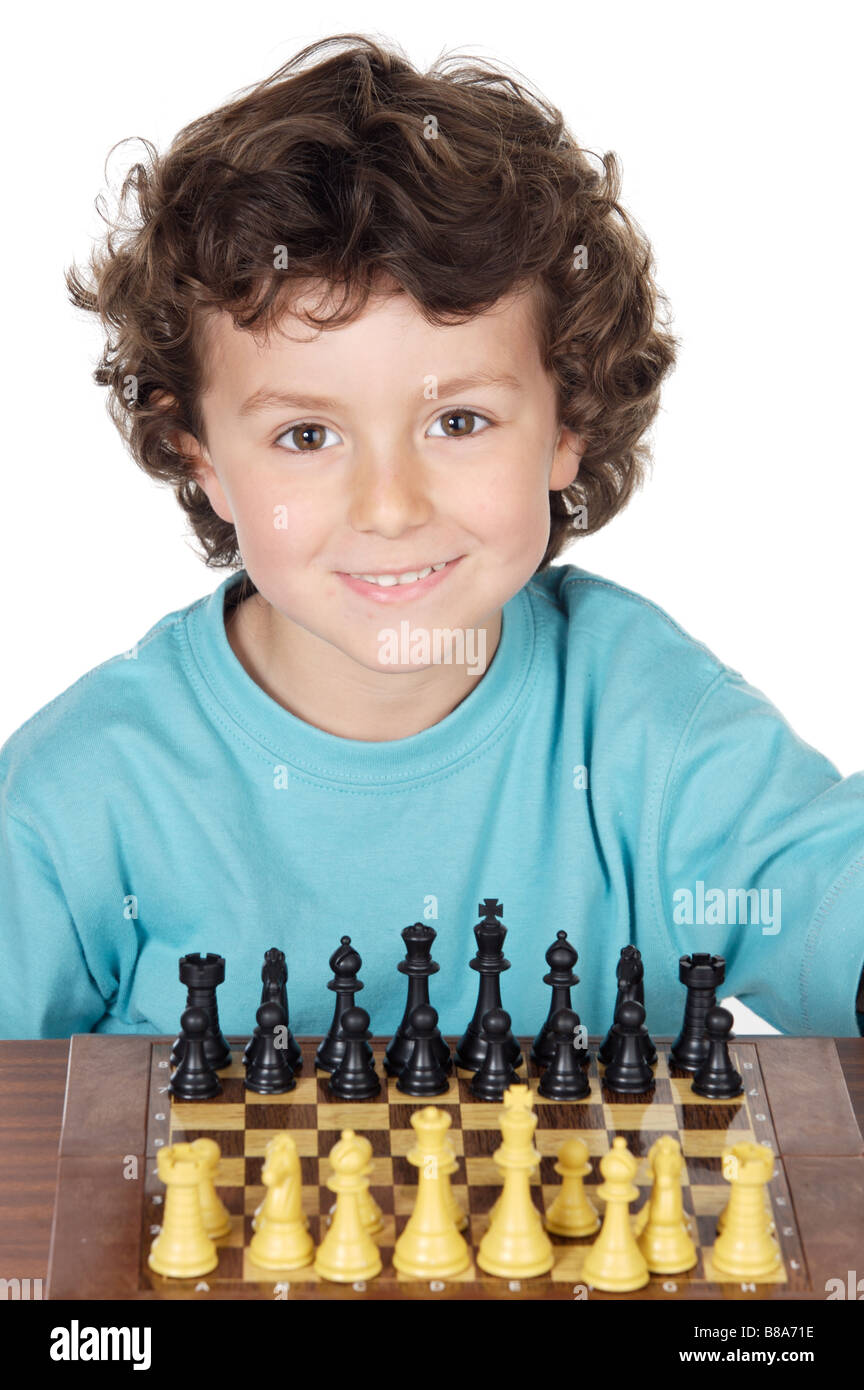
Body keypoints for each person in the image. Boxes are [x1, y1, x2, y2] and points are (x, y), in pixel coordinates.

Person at [1, 34, 861, 1041]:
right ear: (203, 460)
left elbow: (823, 900)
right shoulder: (86, 793)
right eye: (306, 435)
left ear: (566, 428)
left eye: (458, 422)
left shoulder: (644, 723)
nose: (390, 505)